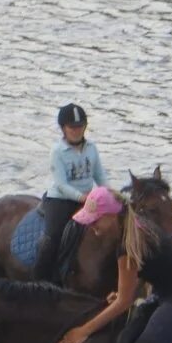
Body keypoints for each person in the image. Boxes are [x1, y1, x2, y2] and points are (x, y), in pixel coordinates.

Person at [54, 186, 172, 343]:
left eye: (96, 220)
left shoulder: (128, 247)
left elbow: (123, 302)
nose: (92, 227)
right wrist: (124, 290)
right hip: (161, 294)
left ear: (113, 216)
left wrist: (83, 331)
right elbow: (143, 272)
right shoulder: (134, 225)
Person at [32, 103, 111, 283]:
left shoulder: (92, 148)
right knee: (52, 239)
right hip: (60, 201)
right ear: (63, 129)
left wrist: (110, 194)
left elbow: (100, 176)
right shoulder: (57, 151)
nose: (76, 131)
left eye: (80, 126)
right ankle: (39, 282)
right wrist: (83, 197)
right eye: (72, 127)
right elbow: (61, 184)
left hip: (88, 201)